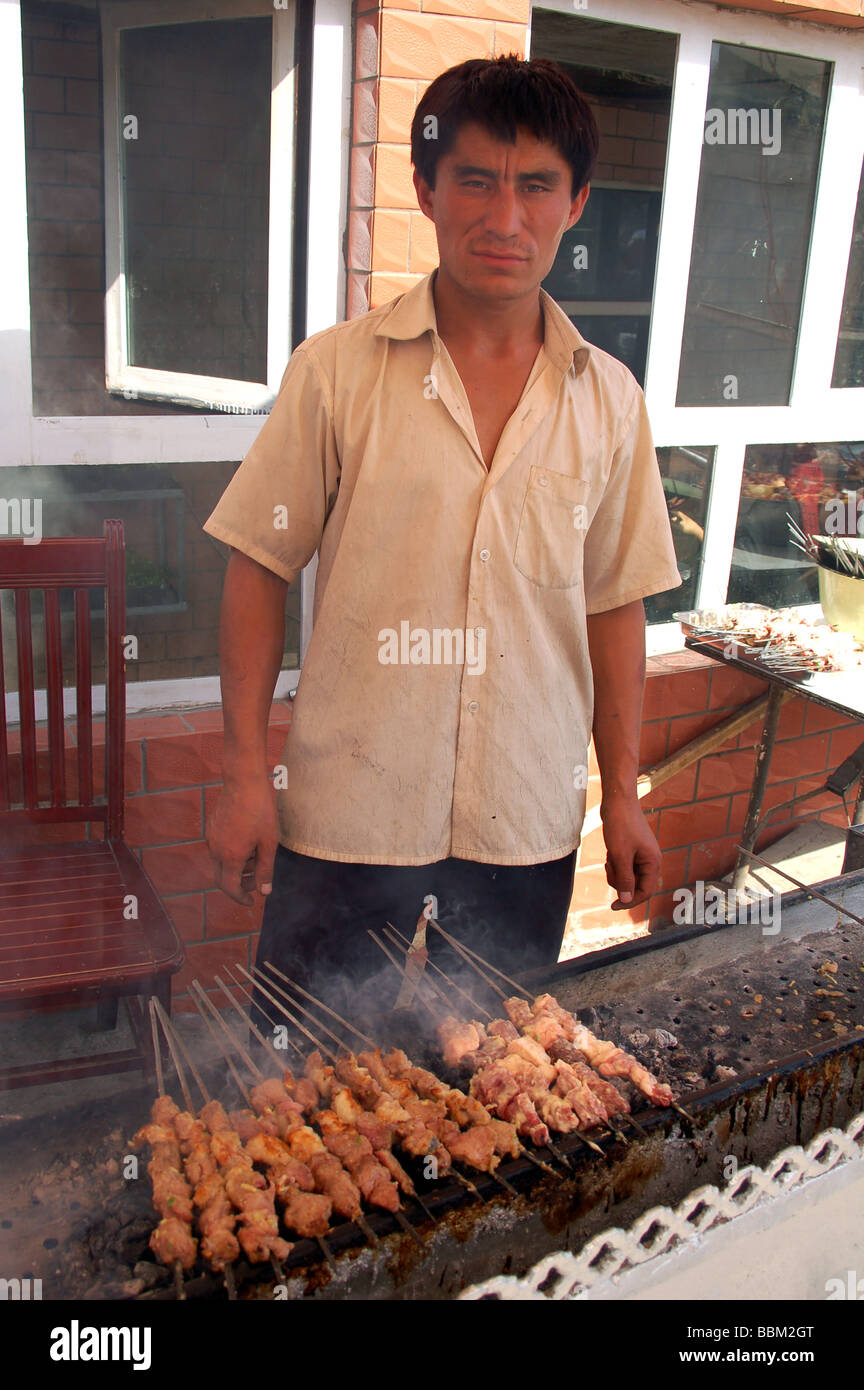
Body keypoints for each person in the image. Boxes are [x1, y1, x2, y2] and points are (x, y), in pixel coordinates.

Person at [203, 55, 681, 1026]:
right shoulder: (339, 374)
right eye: (476, 179)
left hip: (525, 824)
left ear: (577, 202)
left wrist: (622, 796)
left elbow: (614, 603)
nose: (505, 219)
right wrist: (247, 774)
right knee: (302, 1093)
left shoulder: (611, 403)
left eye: (536, 185)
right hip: (347, 817)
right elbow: (257, 564)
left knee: (491, 1095)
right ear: (425, 188)